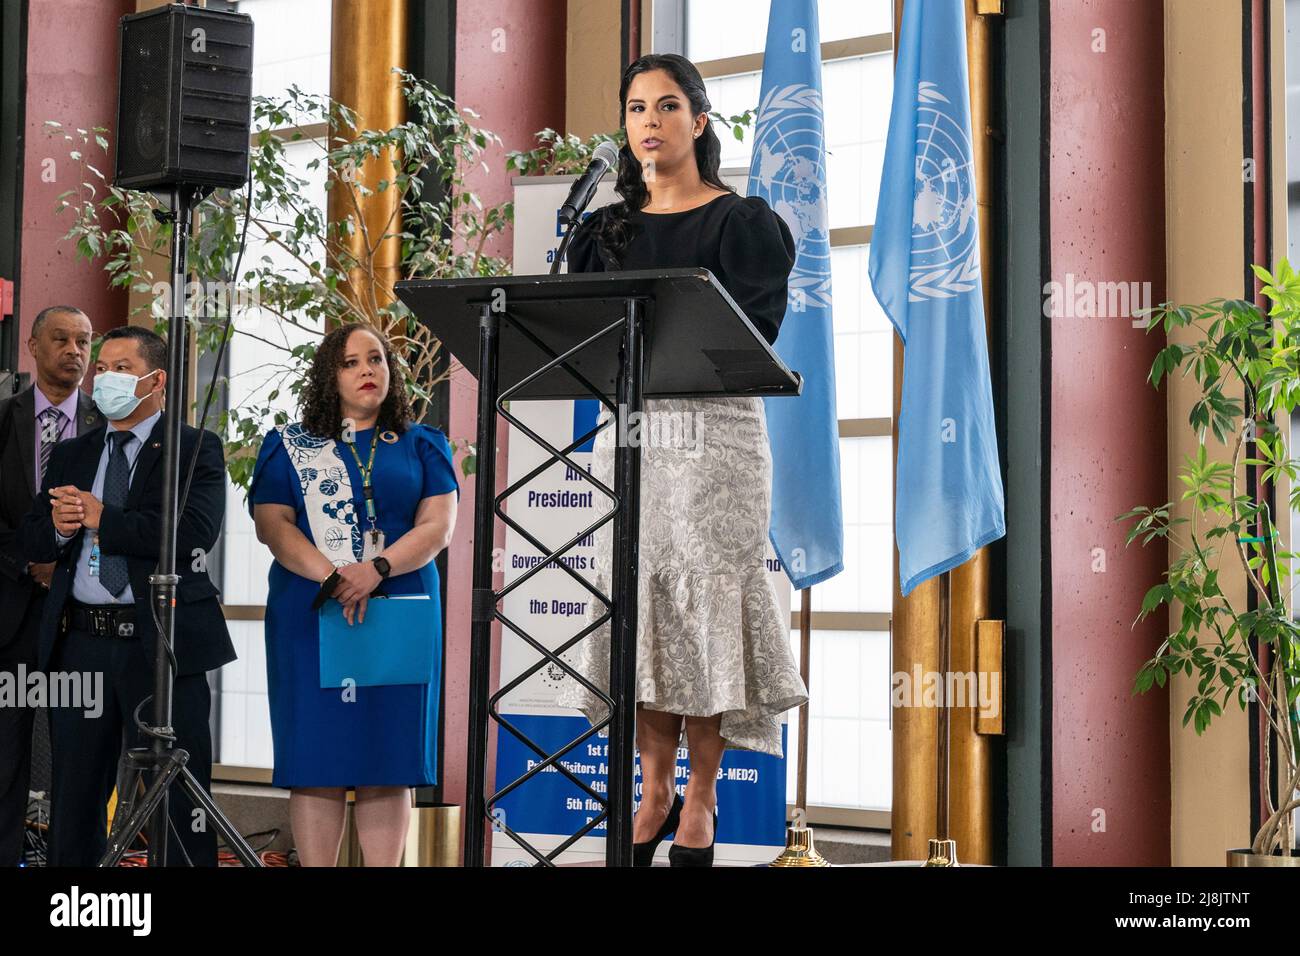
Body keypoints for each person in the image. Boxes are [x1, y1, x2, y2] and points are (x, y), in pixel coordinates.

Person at [555, 54, 810, 867]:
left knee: (704, 603)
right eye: (635, 109)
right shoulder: (600, 231)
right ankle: (652, 785)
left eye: (668, 106)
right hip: (632, 436)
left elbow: (750, 335)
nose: (649, 122)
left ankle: (700, 793)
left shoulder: (745, 223)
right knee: (644, 603)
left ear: (700, 121)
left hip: (714, 437)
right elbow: (579, 336)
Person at [21, 324, 233, 866]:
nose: (106, 378)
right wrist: (63, 529)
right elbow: (33, 535)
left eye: (122, 369)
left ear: (156, 380)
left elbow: (190, 534)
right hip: (82, 643)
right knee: (74, 793)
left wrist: (102, 518)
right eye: (103, 368)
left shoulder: (194, 448)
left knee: (179, 792)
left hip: (161, 640)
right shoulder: (73, 453)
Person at [250, 323, 458, 867]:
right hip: (313, 609)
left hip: (400, 605)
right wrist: (334, 576)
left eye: (377, 359)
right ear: (328, 376)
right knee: (318, 756)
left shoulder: (423, 443)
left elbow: (438, 527)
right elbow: (273, 526)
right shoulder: (288, 447)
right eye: (351, 362)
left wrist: (377, 568)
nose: (368, 370)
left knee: (388, 758)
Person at [0, 306, 101, 865]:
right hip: (13, 611)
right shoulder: (2, 420)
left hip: (84, 617)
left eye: (84, 341)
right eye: (60, 339)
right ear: (32, 347)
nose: (74, 351)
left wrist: (61, 571)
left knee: (81, 758)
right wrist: (30, 565)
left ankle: (76, 877)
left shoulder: (108, 429)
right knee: (6, 755)